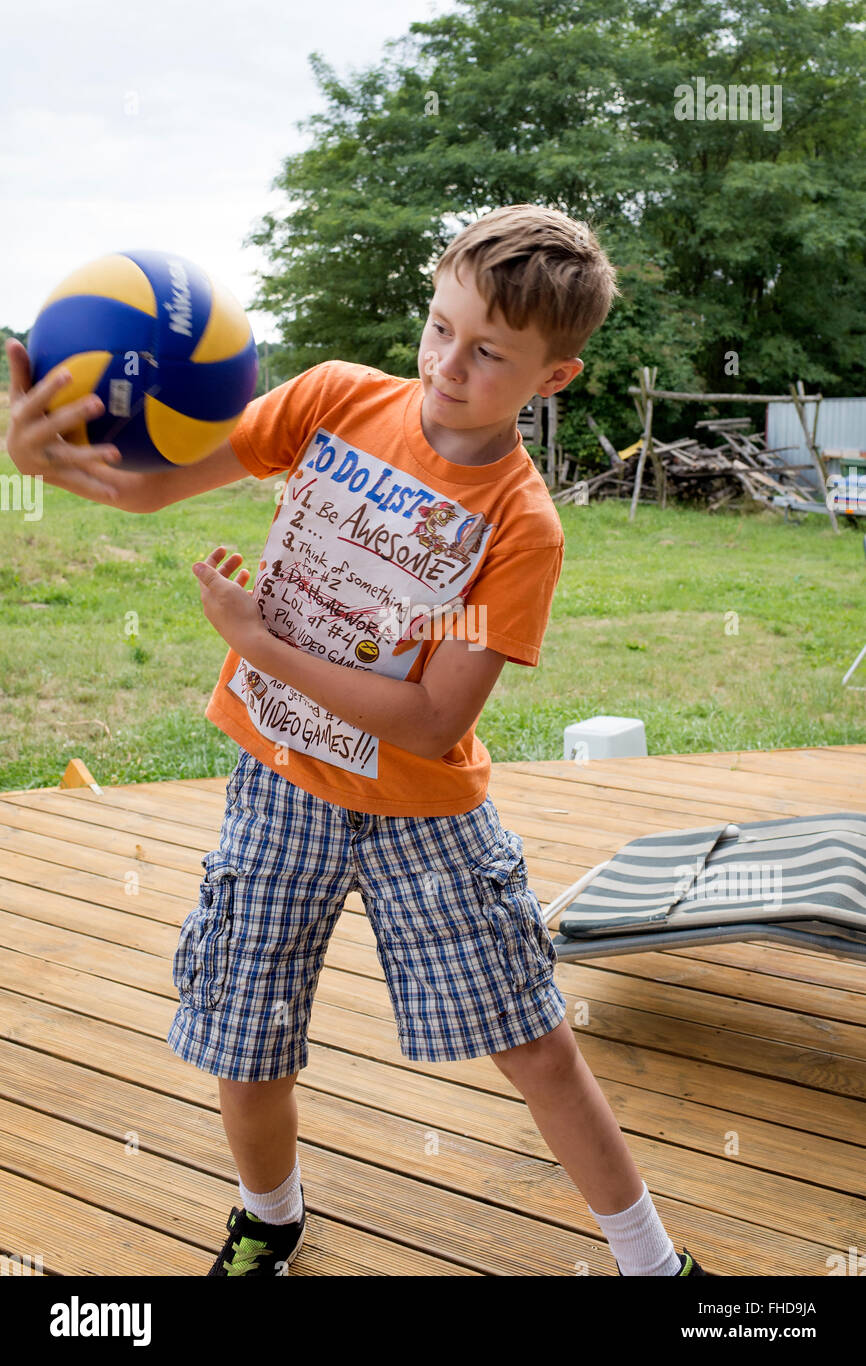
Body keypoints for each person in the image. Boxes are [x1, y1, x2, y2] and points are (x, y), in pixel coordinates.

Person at [5, 203, 712, 1278]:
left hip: (422, 818)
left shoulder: (519, 527)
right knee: (246, 1032)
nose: (447, 364)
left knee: (532, 1038)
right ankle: (267, 1217)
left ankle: (652, 1263)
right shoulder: (334, 400)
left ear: (550, 378)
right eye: (439, 327)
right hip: (274, 788)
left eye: (488, 353)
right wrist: (54, 458)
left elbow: (434, 720)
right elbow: (155, 487)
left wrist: (254, 641)